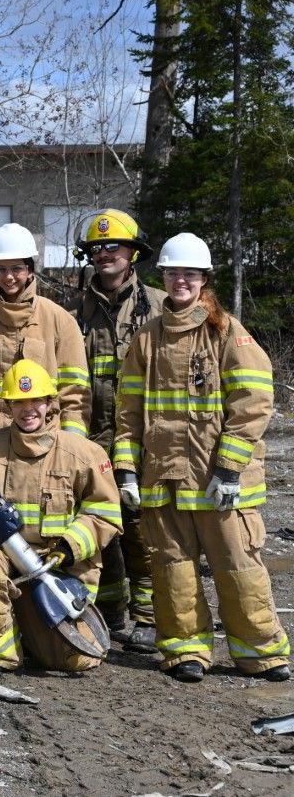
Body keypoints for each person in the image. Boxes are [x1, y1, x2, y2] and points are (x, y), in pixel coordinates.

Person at [114, 233, 290, 683]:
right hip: (163, 478)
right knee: (173, 568)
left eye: (190, 274)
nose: (180, 282)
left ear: (205, 279)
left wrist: (230, 469)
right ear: (164, 277)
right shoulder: (147, 339)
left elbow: (253, 402)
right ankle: (185, 650)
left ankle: (261, 653)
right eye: (173, 273)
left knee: (239, 566)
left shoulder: (227, 331)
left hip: (218, 484)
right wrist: (128, 470)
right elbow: (129, 411)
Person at [0, 359, 120, 675]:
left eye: (35, 401)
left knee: (73, 661)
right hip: (7, 564)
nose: (28, 410)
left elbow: (106, 512)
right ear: (8, 406)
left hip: (59, 571)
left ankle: (28, 635)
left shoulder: (83, 453)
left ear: (50, 403)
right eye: (18, 402)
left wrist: (69, 547)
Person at [71, 209, 167, 651]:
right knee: (100, 524)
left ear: (133, 253)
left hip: (142, 435)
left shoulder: (161, 306)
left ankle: (148, 615)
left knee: (142, 525)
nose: (104, 254)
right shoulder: (75, 311)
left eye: (114, 246)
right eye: (96, 248)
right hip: (91, 438)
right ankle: (112, 612)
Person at [0, 222, 90, 447]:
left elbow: (75, 394)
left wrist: (71, 446)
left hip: (45, 444)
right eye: (1, 269)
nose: (9, 277)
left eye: (17, 269)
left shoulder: (59, 321)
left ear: (30, 270)